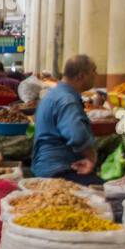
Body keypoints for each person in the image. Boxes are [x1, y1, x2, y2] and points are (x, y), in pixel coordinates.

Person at [31, 54, 100, 185]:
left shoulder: (54, 94)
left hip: (46, 165)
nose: (96, 74)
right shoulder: (67, 100)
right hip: (58, 170)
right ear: (81, 75)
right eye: (94, 70)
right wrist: (91, 158)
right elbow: (77, 136)